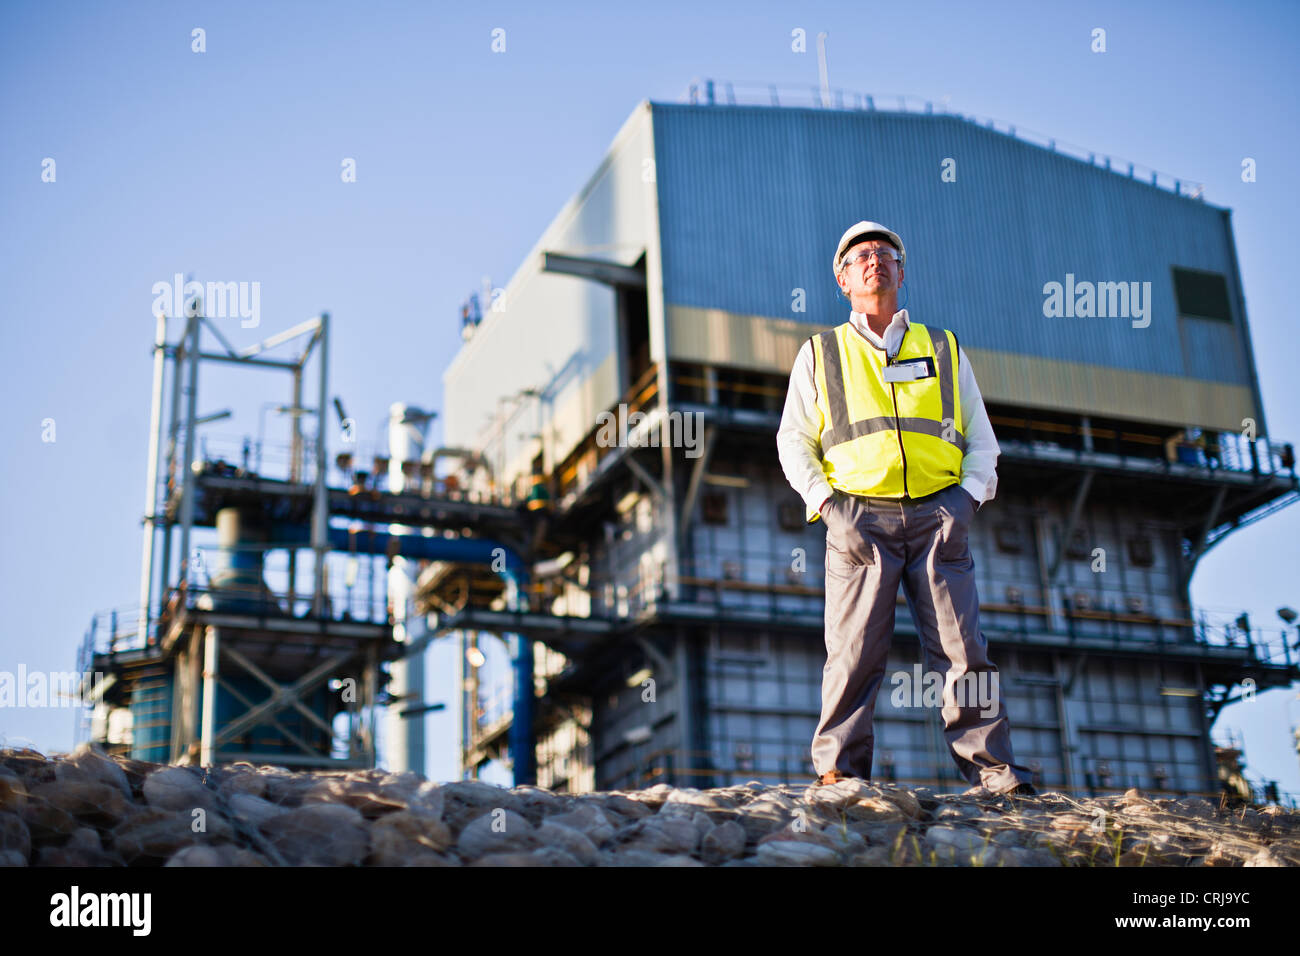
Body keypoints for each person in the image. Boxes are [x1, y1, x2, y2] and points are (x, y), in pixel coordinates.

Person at [776, 220, 1037, 796]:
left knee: (964, 653)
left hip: (938, 519)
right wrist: (828, 506)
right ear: (842, 279)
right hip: (857, 521)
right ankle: (840, 771)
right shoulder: (821, 354)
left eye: (886, 253)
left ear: (902, 270)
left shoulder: (942, 347)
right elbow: (793, 440)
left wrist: (966, 501)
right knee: (852, 651)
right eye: (861, 256)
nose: (875, 260)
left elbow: (983, 441)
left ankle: (994, 771)